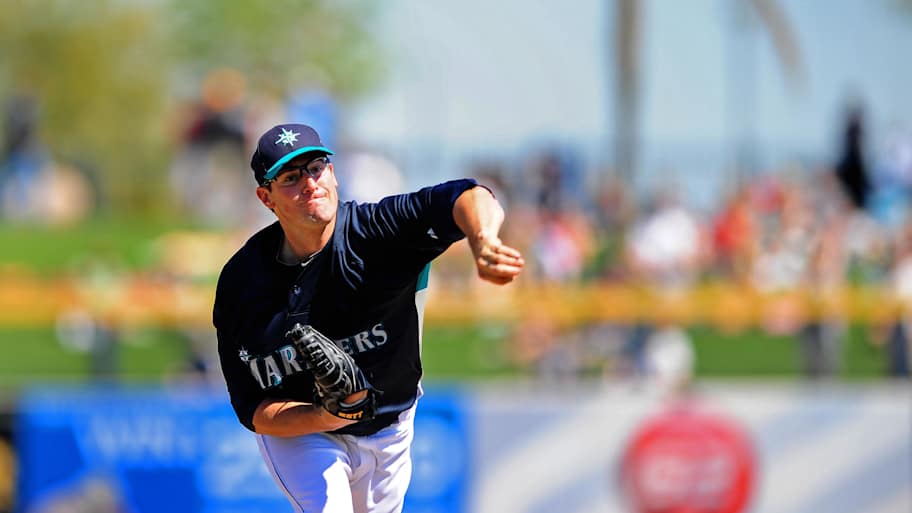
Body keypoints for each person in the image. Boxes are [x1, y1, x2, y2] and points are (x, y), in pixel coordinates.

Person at [213, 123, 524, 513]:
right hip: (305, 431)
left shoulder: (378, 234)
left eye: (316, 168)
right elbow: (254, 410)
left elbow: (468, 195)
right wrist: (324, 416)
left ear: (334, 174)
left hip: (390, 425)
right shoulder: (244, 283)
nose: (310, 183)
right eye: (290, 178)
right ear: (266, 197)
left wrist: (483, 239)